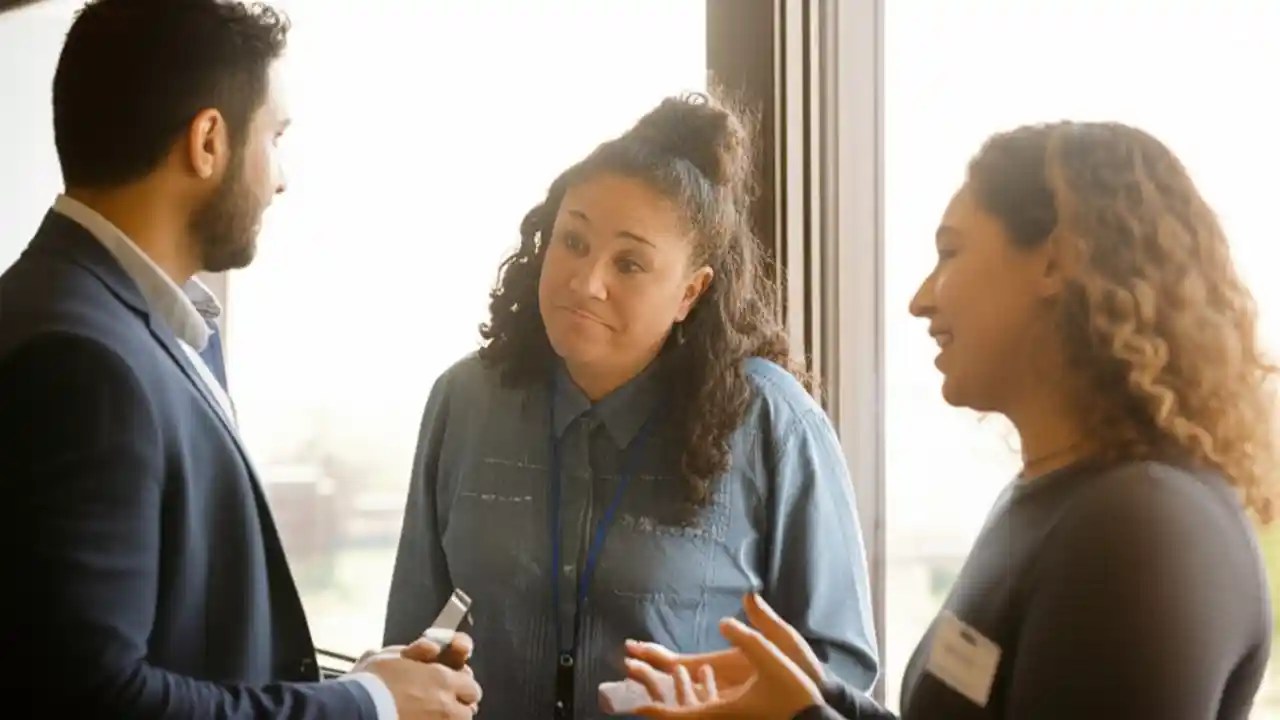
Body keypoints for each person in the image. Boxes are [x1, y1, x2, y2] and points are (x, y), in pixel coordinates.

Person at [619, 121, 1277, 719]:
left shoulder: (1144, 529)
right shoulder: (1054, 501)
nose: (920, 300)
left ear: (1056, 259)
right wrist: (816, 695)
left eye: (951, 252)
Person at [0, 1, 480, 717]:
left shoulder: (99, 318)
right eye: (276, 137)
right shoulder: (83, 364)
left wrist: (351, 687)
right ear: (208, 141)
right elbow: (95, 698)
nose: (281, 177)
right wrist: (369, 709)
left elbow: (173, 640)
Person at [382, 90, 879, 719]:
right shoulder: (465, 401)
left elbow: (839, 672)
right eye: (573, 242)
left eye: (630, 263)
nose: (587, 282)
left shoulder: (774, 423)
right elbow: (408, 643)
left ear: (690, 293)